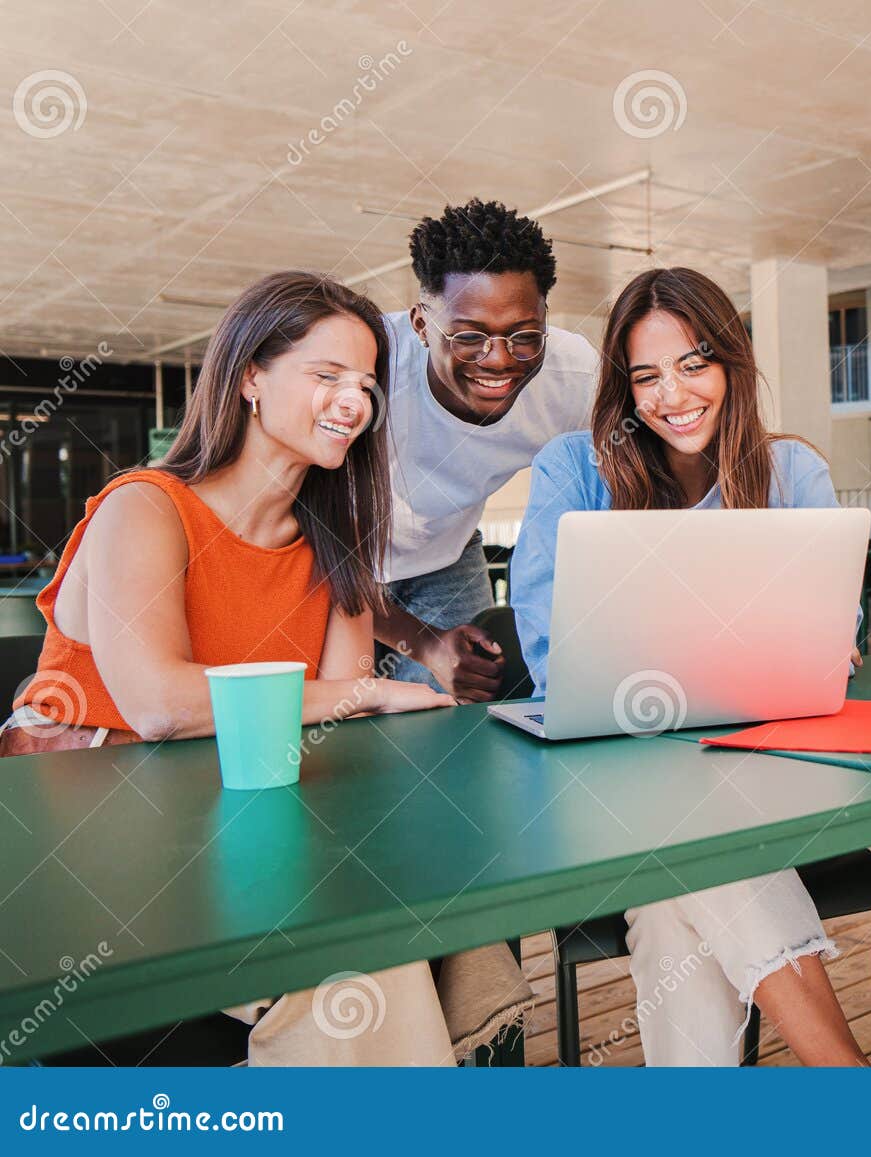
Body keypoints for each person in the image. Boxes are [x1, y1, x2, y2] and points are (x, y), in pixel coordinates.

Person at [1, 271, 531, 1065]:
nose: (353, 402)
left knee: (380, 930)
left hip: (237, 836)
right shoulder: (142, 508)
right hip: (89, 852)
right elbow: (157, 704)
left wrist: (363, 699)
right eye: (326, 375)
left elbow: (343, 727)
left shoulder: (335, 548)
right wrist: (368, 690)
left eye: (366, 385)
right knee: (362, 952)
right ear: (250, 377)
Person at [510, 266, 867, 1066]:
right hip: (614, 784)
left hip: (766, 781)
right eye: (646, 376)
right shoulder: (574, 468)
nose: (672, 395)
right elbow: (553, 657)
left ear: (731, 363)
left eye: (694, 364)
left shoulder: (791, 473)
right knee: (694, 845)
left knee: (674, 892)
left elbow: (827, 644)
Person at [374, 199, 597, 703]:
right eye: (469, 336)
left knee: (462, 712)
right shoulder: (370, 364)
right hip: (334, 559)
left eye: (524, 336)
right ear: (420, 324)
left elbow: (625, 486)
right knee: (334, 718)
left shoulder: (574, 376)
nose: (498, 360)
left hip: (445, 553)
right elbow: (304, 537)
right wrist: (426, 646)